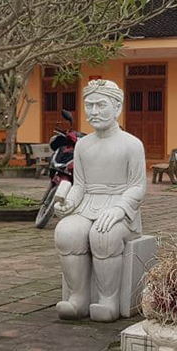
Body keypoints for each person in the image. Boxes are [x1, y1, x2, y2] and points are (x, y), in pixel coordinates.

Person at [53, 79, 146, 322]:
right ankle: (78, 298)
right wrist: (68, 203)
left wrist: (119, 210)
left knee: (103, 236)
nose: (94, 111)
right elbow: (80, 184)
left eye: (101, 105)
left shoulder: (132, 145)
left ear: (117, 107)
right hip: (88, 205)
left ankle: (108, 299)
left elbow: (138, 187)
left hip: (120, 210)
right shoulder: (83, 145)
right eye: (89, 105)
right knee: (66, 232)